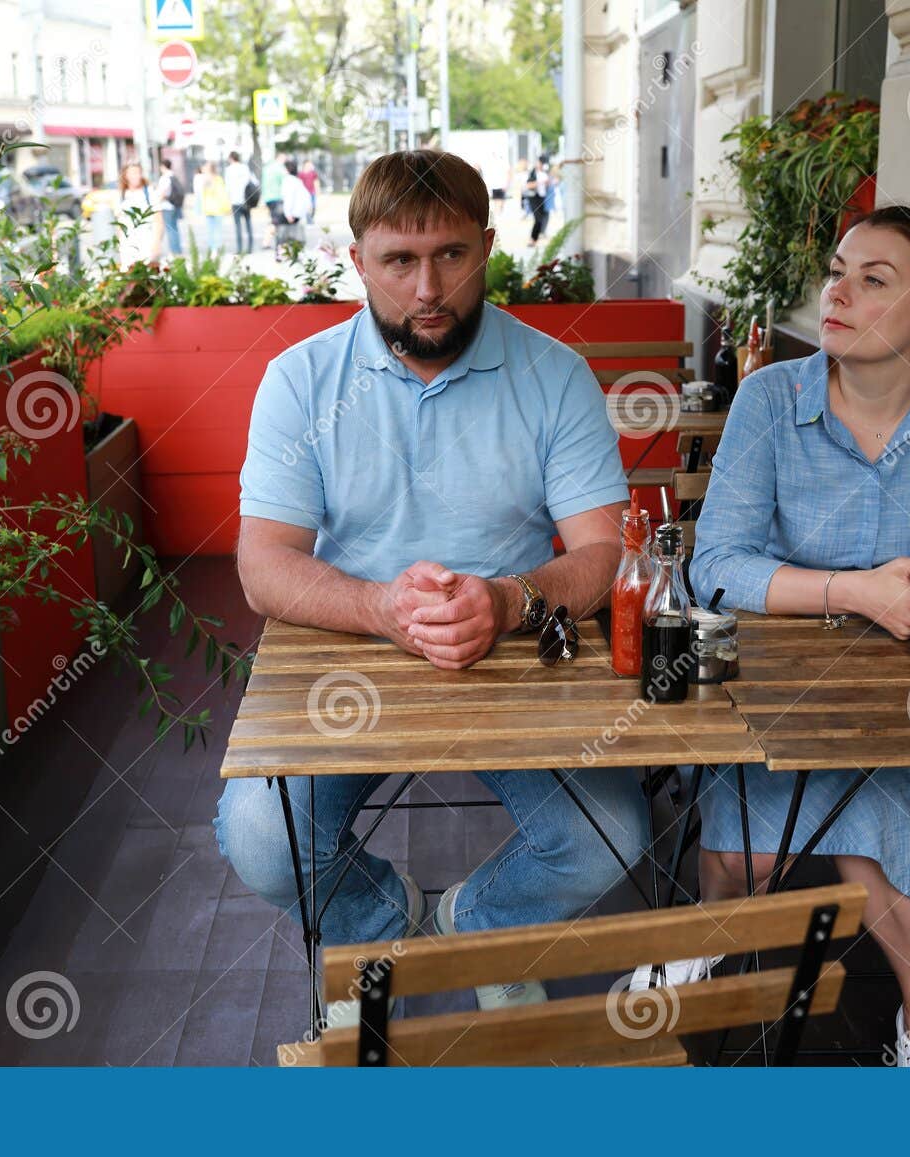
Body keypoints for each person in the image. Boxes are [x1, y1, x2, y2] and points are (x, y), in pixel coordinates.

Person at [632, 202, 910, 1067]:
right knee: (746, 859)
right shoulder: (772, 397)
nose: (837, 292)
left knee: (869, 805)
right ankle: (900, 1011)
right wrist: (856, 592)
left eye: (874, 280)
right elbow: (715, 565)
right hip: (781, 697)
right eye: (838, 270)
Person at [214, 149, 650, 1026]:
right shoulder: (301, 381)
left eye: (450, 255)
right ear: (357, 261)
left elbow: (604, 552)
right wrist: (383, 607)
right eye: (398, 261)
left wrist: (508, 601)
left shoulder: (553, 373)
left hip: (516, 656)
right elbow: (264, 566)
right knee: (261, 839)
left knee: (613, 837)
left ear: (488, 246)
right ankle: (382, 925)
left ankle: (479, 926)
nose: (428, 288)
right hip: (349, 655)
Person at [115, 161, 160, 267]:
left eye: (138, 172)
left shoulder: (149, 192)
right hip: (127, 245)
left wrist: (156, 243)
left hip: (146, 242)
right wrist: (119, 242)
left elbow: (158, 220)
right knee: (128, 277)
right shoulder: (121, 195)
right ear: (125, 175)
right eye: (132, 173)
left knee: (148, 277)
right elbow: (119, 223)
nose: (136, 176)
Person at [223, 150, 255, 255]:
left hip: (235, 201)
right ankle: (250, 248)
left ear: (231, 158)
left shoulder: (228, 170)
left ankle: (240, 249)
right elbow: (253, 181)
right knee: (248, 224)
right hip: (247, 200)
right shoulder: (245, 168)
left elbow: (227, 188)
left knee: (238, 226)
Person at [276, 158, 311, 250]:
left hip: (291, 213)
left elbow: (288, 198)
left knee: (281, 235)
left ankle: (281, 255)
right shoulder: (297, 180)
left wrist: (288, 214)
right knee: (292, 235)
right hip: (298, 213)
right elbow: (307, 197)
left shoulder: (287, 180)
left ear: (287, 169)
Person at [198, 160, 231, 254]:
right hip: (218, 208)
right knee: (217, 231)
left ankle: (213, 249)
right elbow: (223, 194)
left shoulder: (205, 180)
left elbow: (201, 193)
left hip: (209, 208)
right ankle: (216, 250)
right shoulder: (218, 179)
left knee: (211, 230)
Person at [154, 158, 184, 256]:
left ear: (163, 166)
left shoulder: (165, 177)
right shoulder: (174, 176)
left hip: (166, 206)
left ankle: (174, 251)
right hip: (174, 205)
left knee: (170, 229)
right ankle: (177, 250)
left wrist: (156, 203)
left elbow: (162, 193)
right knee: (174, 228)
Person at [524, 153, 551, 247]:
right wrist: (540, 182)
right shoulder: (533, 172)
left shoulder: (546, 173)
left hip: (543, 198)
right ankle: (532, 239)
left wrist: (547, 183)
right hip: (534, 197)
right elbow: (528, 185)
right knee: (538, 219)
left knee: (541, 219)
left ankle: (534, 239)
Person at [260, 153, 285, 249]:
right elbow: (284, 181)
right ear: (279, 158)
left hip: (268, 198)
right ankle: (267, 242)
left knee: (274, 219)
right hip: (277, 197)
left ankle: (267, 241)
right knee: (276, 221)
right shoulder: (279, 168)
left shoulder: (266, 168)